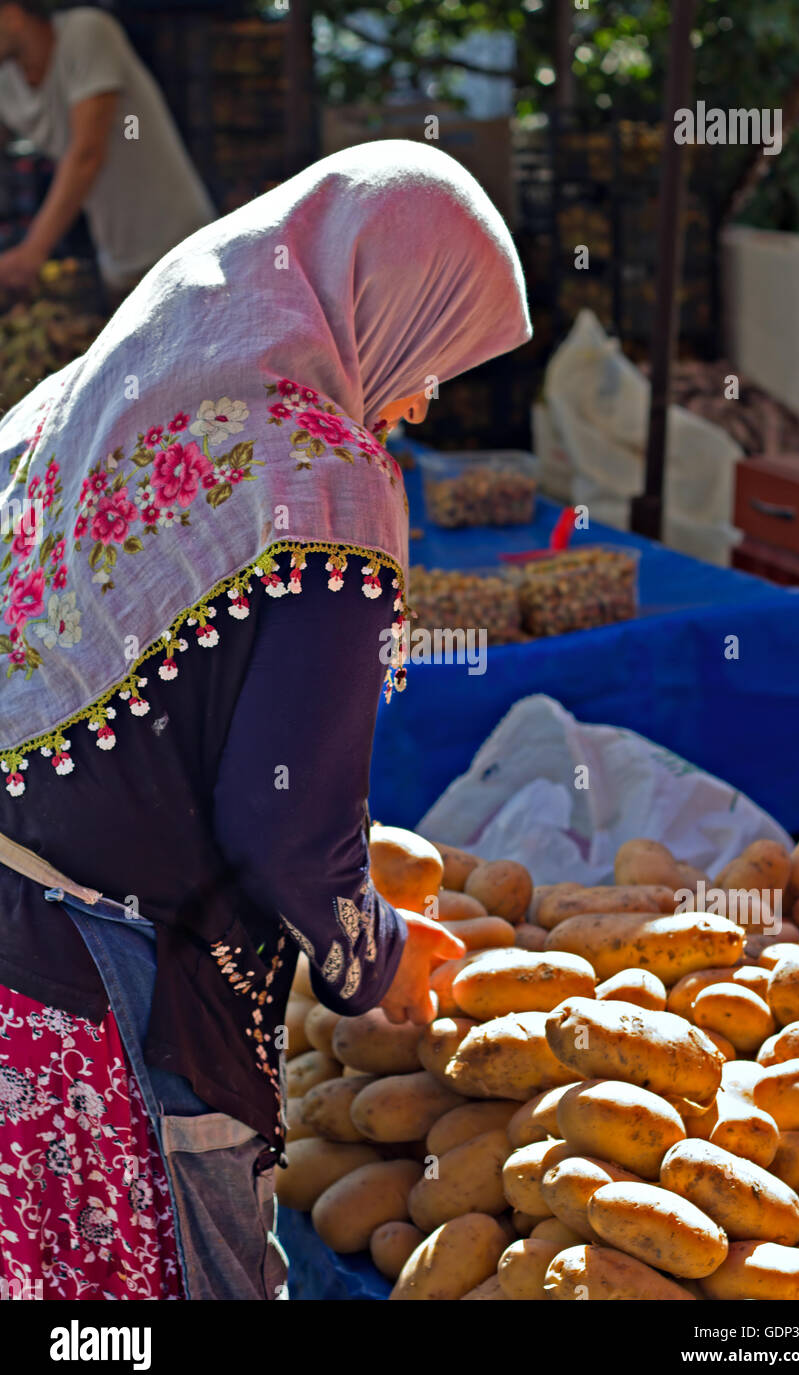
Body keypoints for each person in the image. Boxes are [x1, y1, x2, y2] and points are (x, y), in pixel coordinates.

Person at [0, 138, 532, 1300]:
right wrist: (377, 953)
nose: (423, 397)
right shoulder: (324, 485)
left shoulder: (96, 405)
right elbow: (280, 828)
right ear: (375, 302)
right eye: (436, 351)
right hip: (119, 1014)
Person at [0, 1, 215, 302]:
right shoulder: (7, 83)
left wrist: (33, 250)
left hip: (180, 248)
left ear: (12, 14)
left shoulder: (87, 33)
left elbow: (87, 154)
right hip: (117, 263)